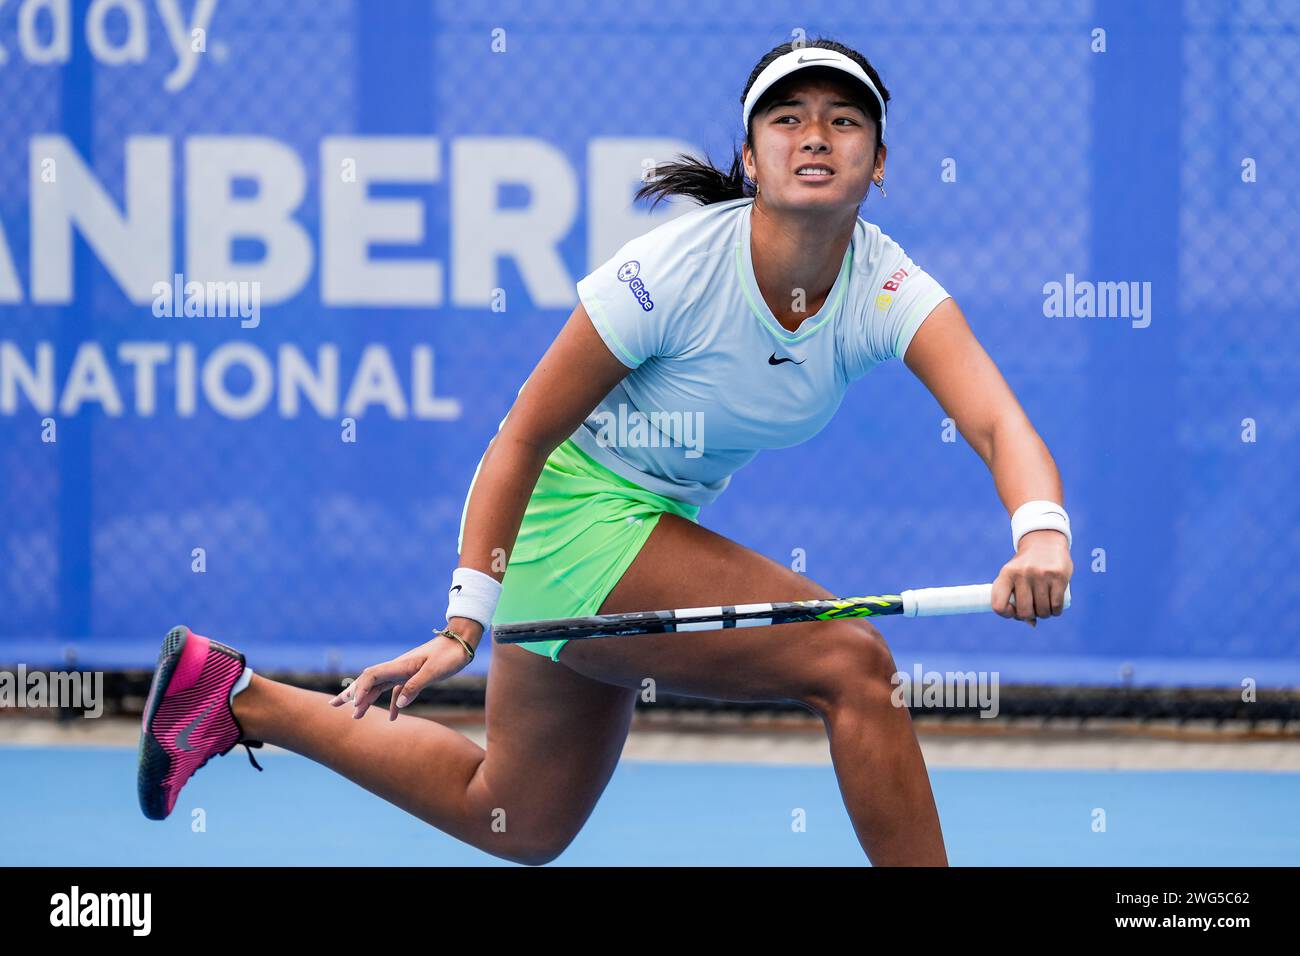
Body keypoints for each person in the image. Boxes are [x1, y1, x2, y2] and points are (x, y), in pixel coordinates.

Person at [137, 38, 1073, 866]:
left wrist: (1040, 534)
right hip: (571, 517)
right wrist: (465, 619)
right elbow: (524, 437)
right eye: (787, 119)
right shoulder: (674, 269)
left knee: (516, 816)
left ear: (880, 165)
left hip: (638, 530)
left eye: (843, 120)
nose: (816, 135)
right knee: (853, 663)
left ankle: (239, 697)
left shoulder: (888, 284)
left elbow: (997, 424)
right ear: (751, 158)